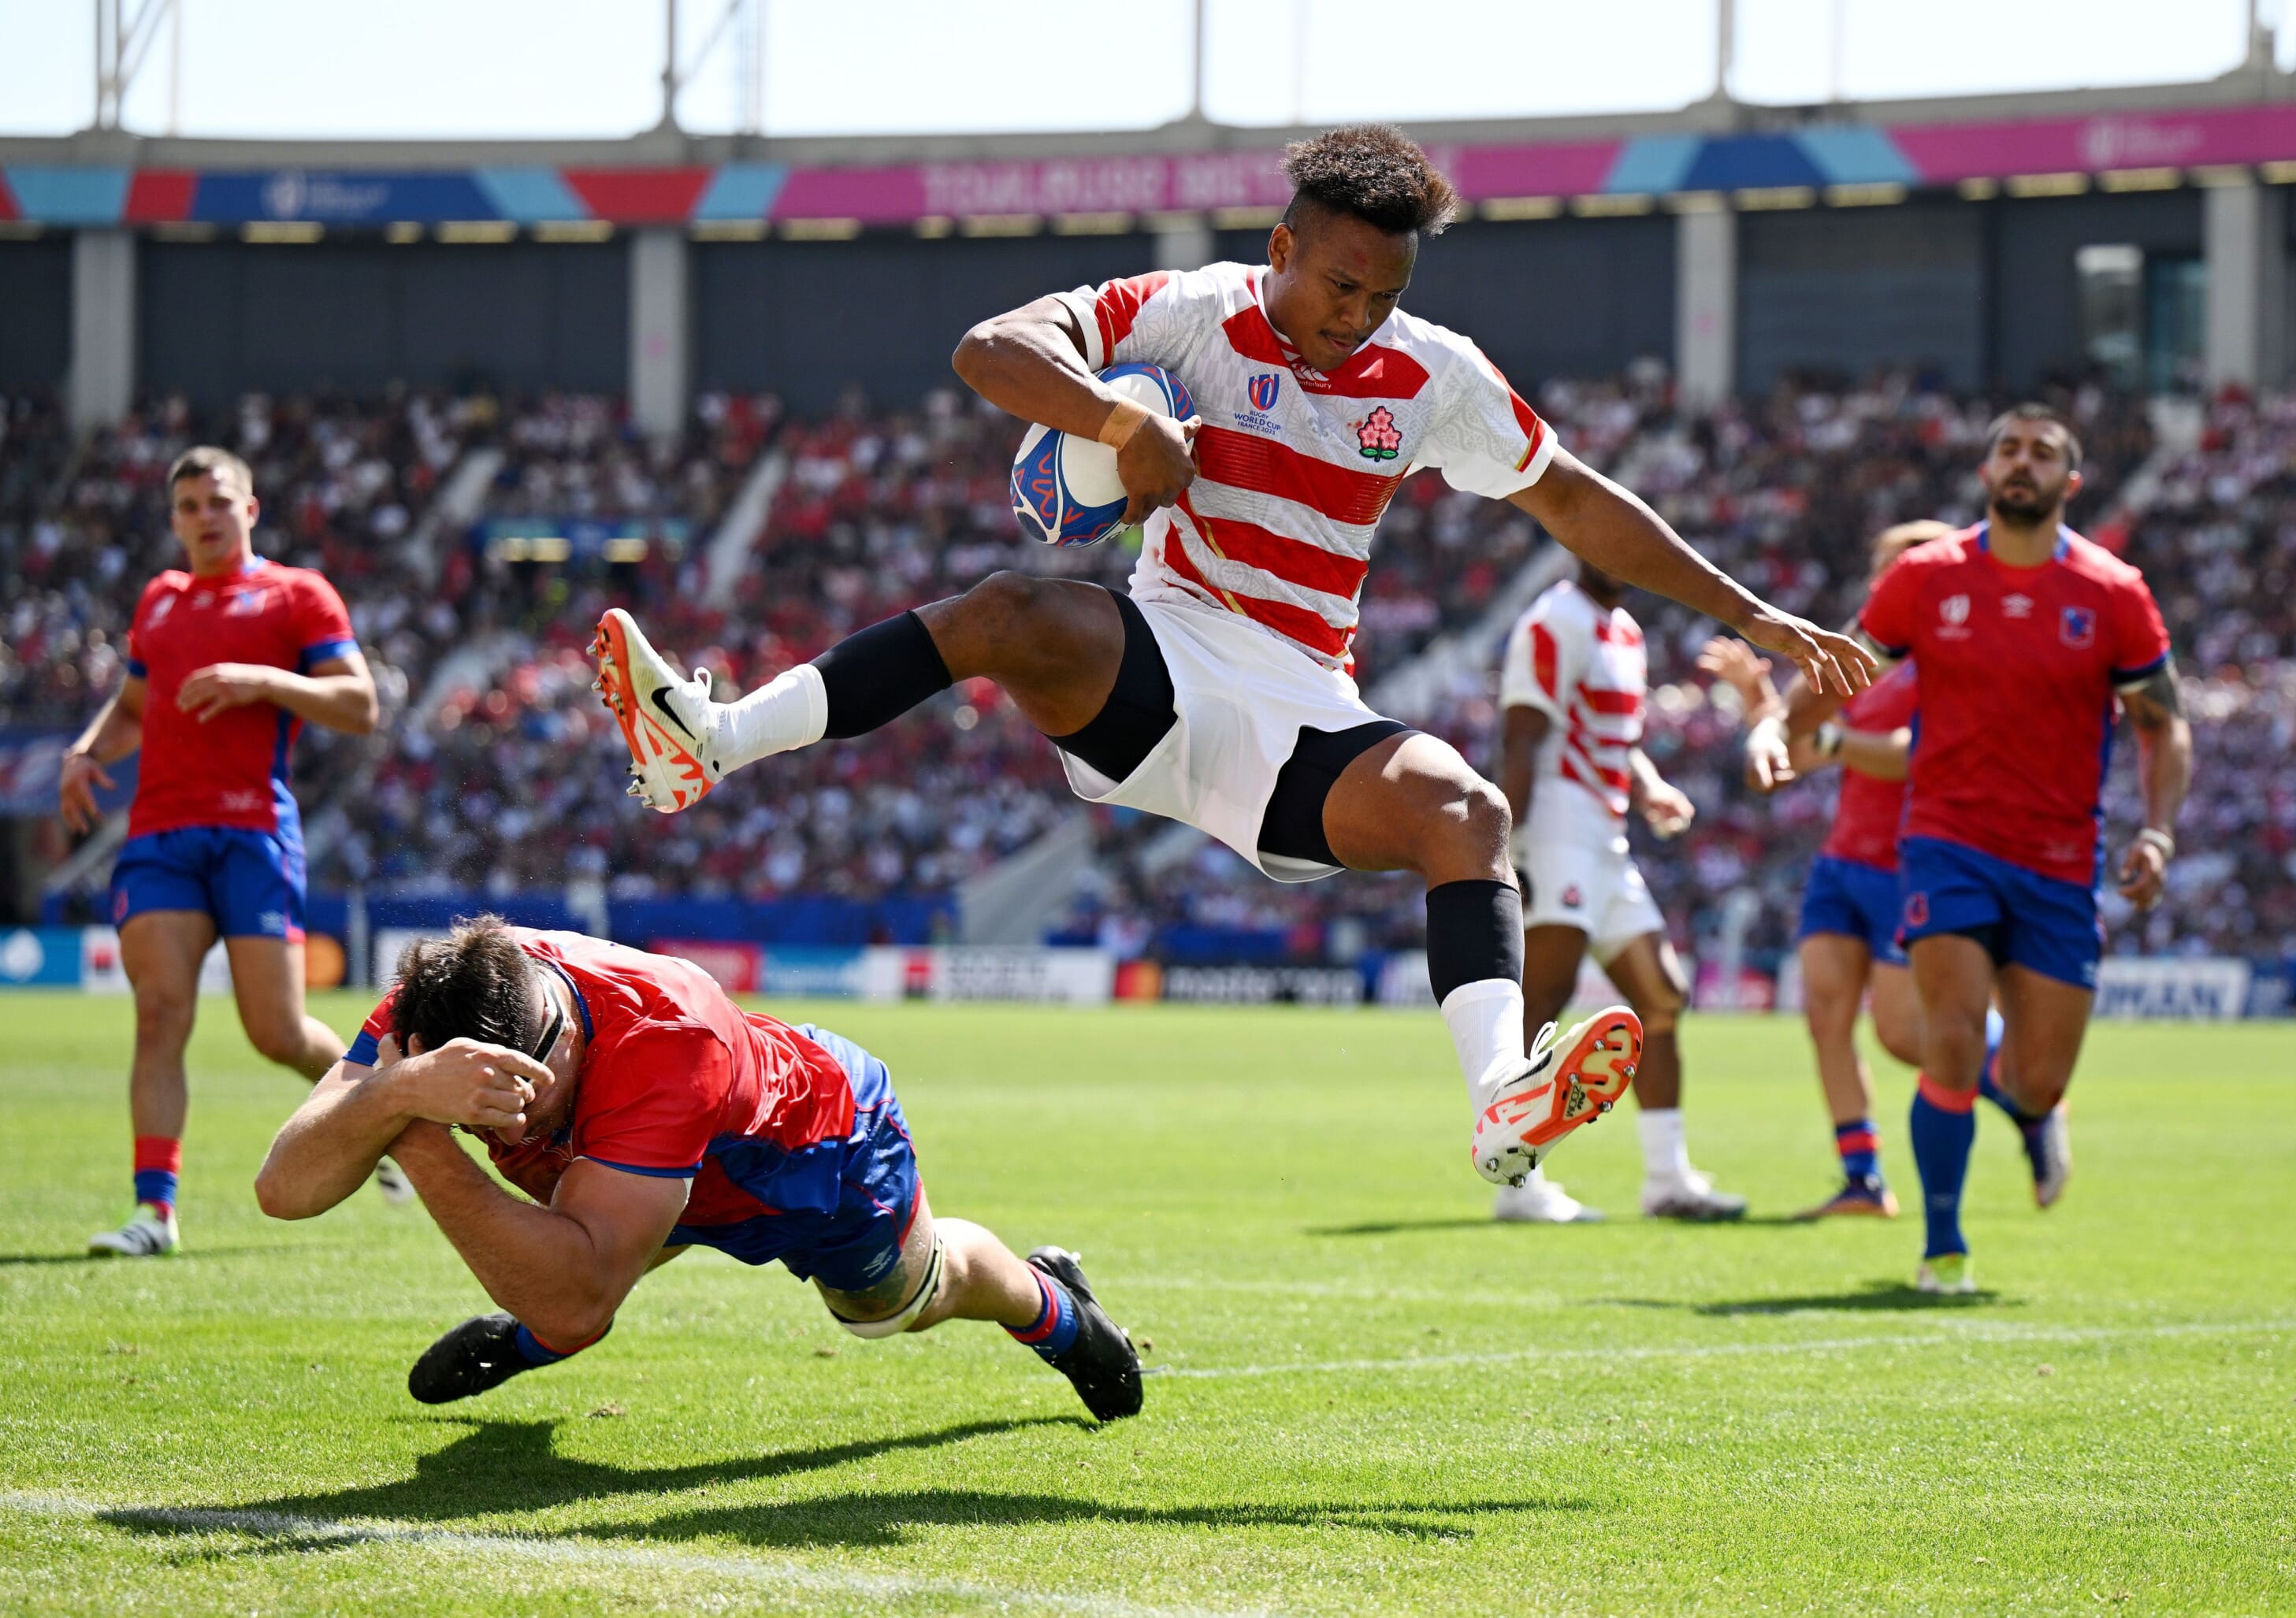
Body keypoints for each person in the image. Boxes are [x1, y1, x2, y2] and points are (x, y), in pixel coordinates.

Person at [591, 124, 1872, 1193]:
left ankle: (1499, 1099)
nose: (1355, 314)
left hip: (1304, 707)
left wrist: (1754, 614)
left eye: (1383, 294)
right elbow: (990, 347)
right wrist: (1116, 418)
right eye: (1337, 284)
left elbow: (1581, 503)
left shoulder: (1435, 378)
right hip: (1165, 658)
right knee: (1012, 611)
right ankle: (710, 737)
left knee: (1466, 809)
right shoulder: (1197, 314)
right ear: (1281, 249)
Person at [253, 917, 1142, 1421]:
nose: (506, 1110)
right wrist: (396, 1088)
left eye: (521, 1082)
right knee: (578, 1239)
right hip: (637, 1173)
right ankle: (532, 1333)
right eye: (475, 1087)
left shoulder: (664, 1039)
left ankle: (1054, 1307)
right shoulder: (439, 1002)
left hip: (805, 1152)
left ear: (556, 1024)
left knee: (902, 1298)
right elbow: (284, 1188)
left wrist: (411, 1127)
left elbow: (580, 1288)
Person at [1855, 406, 2191, 1294]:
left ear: (2069, 484)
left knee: (2036, 1079)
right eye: (2008, 448)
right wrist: (1780, 728)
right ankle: (1943, 1245)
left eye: (2042, 453)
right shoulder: (1925, 578)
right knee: (1951, 1034)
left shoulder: (2113, 591)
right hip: (1947, 839)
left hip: (2059, 861)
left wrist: (2157, 829)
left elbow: (2164, 726)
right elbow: (1847, 668)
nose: (2022, 462)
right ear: (1986, 471)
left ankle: (2037, 1117)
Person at [60, 447, 385, 1260]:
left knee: (274, 1030)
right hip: (160, 833)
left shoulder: (296, 594)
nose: (204, 516)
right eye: (188, 505)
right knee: (160, 1012)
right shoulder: (160, 600)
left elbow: (359, 704)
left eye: (218, 500)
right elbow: (134, 703)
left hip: (251, 831)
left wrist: (262, 679)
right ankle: (154, 1210)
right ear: (173, 520)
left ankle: (387, 1104)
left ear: (252, 507)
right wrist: (87, 749)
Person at [1703, 520, 1972, 1220]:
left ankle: (2027, 1095)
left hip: (1911, 864)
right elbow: (1800, 753)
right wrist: (1757, 704)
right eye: (1882, 568)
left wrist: (1822, 738)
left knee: (1903, 1035)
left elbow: (1919, 756)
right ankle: (1863, 1181)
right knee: (1825, 1013)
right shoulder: (1862, 663)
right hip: (1844, 862)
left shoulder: (1960, 660)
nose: (1887, 581)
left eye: (1902, 567)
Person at [1493, 562, 1744, 1223]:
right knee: (1544, 998)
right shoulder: (1552, 622)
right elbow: (1523, 737)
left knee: (1662, 993)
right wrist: (1503, 849)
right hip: (1554, 829)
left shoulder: (1624, 631)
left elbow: (1613, 737)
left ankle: (1667, 1179)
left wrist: (1649, 785)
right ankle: (1517, 1182)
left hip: (1606, 839)